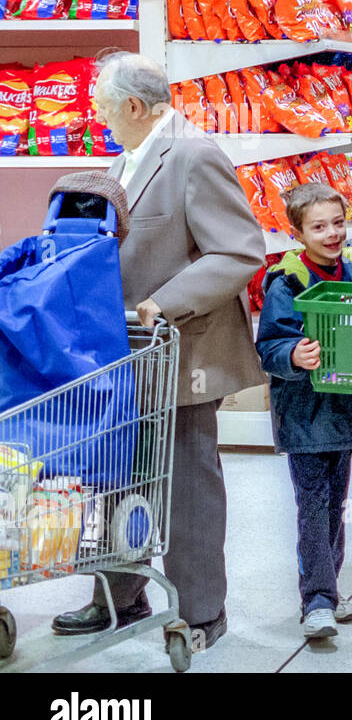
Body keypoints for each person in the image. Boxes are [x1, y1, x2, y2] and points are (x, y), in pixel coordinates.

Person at [52, 53, 264, 648]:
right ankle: (116, 595)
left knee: (186, 487)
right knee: (120, 479)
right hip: (126, 357)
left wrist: (167, 301)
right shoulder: (124, 160)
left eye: (101, 105)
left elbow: (239, 250)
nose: (96, 115)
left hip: (182, 352)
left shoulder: (194, 156)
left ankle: (202, 611)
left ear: (135, 107)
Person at [255, 183, 352, 641]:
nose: (332, 233)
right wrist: (293, 355)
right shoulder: (287, 281)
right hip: (304, 413)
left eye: (338, 222)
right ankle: (316, 600)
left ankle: (329, 588)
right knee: (313, 506)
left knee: (335, 505)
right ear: (296, 231)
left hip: (344, 413)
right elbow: (270, 346)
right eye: (319, 226)